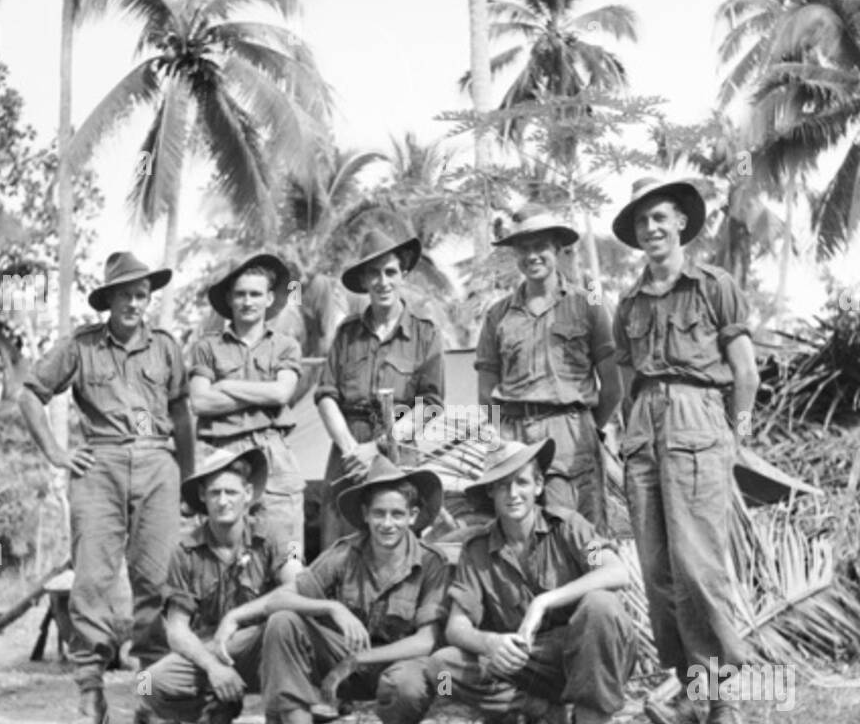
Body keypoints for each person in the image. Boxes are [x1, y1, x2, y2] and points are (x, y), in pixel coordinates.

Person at [610, 176, 763, 724]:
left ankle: (724, 705)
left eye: (661, 219)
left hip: (699, 422)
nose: (652, 229)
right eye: (643, 221)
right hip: (645, 429)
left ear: (681, 225)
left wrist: (738, 438)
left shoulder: (714, 286)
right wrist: (627, 437)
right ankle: (688, 691)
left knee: (700, 571)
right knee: (659, 573)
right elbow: (626, 382)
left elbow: (744, 375)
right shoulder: (628, 303)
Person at [19, 251, 195, 724]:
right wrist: (56, 453)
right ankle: (90, 695)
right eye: (126, 295)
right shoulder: (80, 346)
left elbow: (181, 414)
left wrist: (188, 477)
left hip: (158, 464)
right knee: (92, 580)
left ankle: (149, 694)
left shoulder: (165, 347)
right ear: (109, 300)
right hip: (100, 464)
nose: (135, 304)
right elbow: (30, 393)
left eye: (142, 295)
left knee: (157, 582)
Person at [439, 439, 633, 724]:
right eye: (502, 486)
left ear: (539, 486)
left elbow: (616, 571)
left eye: (522, 483)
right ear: (490, 495)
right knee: (442, 668)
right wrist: (490, 642)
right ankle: (545, 713)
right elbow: (456, 625)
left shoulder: (569, 526)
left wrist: (542, 603)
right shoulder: (477, 549)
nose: (513, 494)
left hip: (589, 652)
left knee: (600, 605)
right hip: (531, 663)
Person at [257, 456, 451, 724]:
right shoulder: (344, 553)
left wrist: (359, 659)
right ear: (365, 515)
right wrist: (332, 607)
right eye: (378, 513)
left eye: (397, 514)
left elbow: (425, 642)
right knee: (283, 622)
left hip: (391, 666)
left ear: (413, 517)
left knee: (409, 682)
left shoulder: (432, 563)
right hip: (342, 663)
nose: (387, 524)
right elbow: (278, 600)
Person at [139, 445, 303, 724]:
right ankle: (219, 706)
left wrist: (237, 617)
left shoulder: (278, 534)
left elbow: (298, 586)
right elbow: (176, 629)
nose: (223, 501)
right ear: (202, 496)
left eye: (231, 492)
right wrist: (213, 667)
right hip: (214, 650)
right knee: (147, 684)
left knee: (284, 625)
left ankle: (279, 714)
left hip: (266, 648)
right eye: (215, 493)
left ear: (248, 493)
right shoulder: (184, 551)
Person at [476, 207, 621, 532]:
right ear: (515, 255)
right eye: (524, 249)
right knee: (521, 534)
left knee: (581, 533)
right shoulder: (497, 316)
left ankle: (595, 582)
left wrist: (584, 426)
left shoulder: (588, 306)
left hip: (570, 432)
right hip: (514, 434)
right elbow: (486, 396)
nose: (532, 256)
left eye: (540, 246)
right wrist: (498, 441)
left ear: (556, 248)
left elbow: (612, 386)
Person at [314, 229, 445, 549]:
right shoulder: (347, 333)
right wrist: (351, 450)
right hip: (348, 450)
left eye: (390, 272)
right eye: (374, 273)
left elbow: (430, 404)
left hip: (399, 448)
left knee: (397, 542)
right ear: (364, 280)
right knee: (341, 544)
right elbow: (326, 395)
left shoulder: (425, 333)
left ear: (402, 276)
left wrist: (377, 448)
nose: (382, 282)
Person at [188, 253, 306, 551]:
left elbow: (282, 393)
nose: (247, 301)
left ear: (269, 298)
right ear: (229, 298)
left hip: (273, 450)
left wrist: (226, 385)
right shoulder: (207, 347)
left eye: (255, 294)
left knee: (287, 547)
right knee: (226, 548)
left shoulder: (285, 345)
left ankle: (287, 596)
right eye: (240, 294)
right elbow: (200, 402)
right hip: (222, 452)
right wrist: (260, 395)